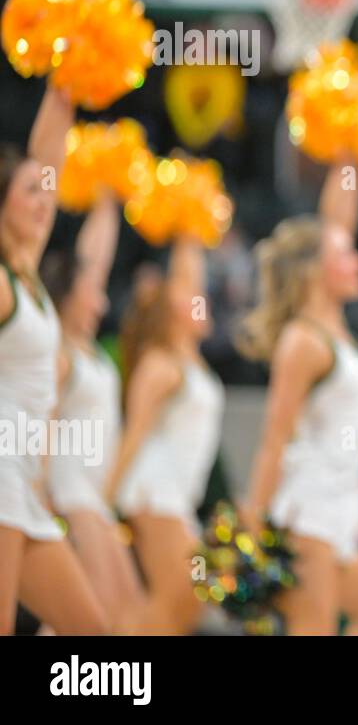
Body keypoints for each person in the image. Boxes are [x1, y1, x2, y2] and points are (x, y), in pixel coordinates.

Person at [238, 161, 358, 636]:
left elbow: (336, 223)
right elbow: (275, 437)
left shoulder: (333, 327)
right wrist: (253, 524)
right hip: (307, 512)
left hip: (338, 512)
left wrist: (350, 159)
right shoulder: (302, 341)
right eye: (346, 256)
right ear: (315, 270)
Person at [0, 85, 107, 635]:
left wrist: (65, 87)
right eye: (29, 194)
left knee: (92, 632)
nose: (44, 201)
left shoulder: (26, 275)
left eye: (45, 195)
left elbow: (48, 164)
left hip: (22, 482)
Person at [106, 240, 223, 635]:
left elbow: (192, 276)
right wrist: (106, 503)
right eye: (190, 299)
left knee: (190, 597)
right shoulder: (160, 363)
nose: (201, 303)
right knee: (181, 593)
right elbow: (133, 433)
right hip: (152, 493)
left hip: (178, 499)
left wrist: (191, 231)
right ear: (170, 311)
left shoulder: (190, 357)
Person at [42, 193, 144, 631]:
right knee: (92, 616)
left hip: (93, 495)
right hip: (68, 491)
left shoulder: (90, 350)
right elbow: (40, 424)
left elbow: (95, 261)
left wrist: (106, 200)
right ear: (68, 295)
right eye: (91, 292)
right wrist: (41, 495)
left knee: (125, 610)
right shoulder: (58, 352)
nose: (101, 301)